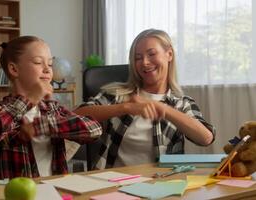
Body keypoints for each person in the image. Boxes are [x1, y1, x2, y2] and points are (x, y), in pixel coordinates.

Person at [74, 29, 215, 169]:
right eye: (138, 58)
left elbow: (206, 138)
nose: (145, 62)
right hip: (115, 182)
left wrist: (163, 109)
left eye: (152, 54)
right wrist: (125, 107)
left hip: (162, 184)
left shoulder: (182, 103)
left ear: (169, 54)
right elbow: (76, 115)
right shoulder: (117, 95)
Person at [0, 36, 102, 179]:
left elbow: (94, 130)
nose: (47, 69)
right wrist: (30, 99)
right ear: (14, 69)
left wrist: (42, 126)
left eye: (50, 64)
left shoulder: (52, 109)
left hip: (54, 191)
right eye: (38, 62)